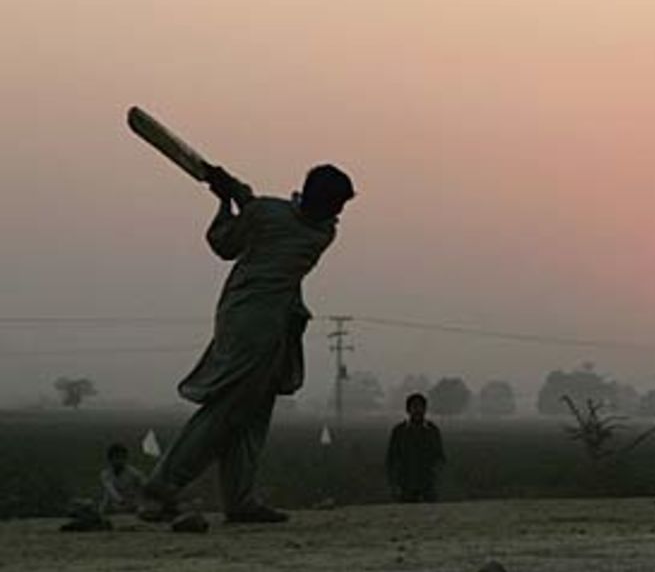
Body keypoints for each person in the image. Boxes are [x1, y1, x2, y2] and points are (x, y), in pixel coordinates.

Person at [141, 164, 355, 524]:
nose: (339, 215)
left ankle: (239, 499)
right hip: (252, 326)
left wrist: (228, 200)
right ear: (322, 202)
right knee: (227, 410)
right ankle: (161, 487)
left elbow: (224, 241)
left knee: (253, 415)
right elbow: (249, 228)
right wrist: (235, 195)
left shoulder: (304, 226)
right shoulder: (307, 228)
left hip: (267, 327)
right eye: (336, 205)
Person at [386, 393, 446, 502]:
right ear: (408, 410)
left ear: (425, 409)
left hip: (428, 484)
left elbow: (440, 457)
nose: (417, 410)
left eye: (420, 407)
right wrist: (394, 485)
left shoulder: (432, 430)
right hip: (406, 484)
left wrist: (438, 481)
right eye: (414, 407)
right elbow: (391, 458)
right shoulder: (399, 431)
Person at [100, 443, 147, 514]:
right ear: (110, 459)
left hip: (131, 507)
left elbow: (145, 483)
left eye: (122, 457)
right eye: (116, 457)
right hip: (112, 508)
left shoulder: (133, 473)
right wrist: (121, 501)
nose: (119, 461)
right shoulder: (105, 474)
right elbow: (111, 490)